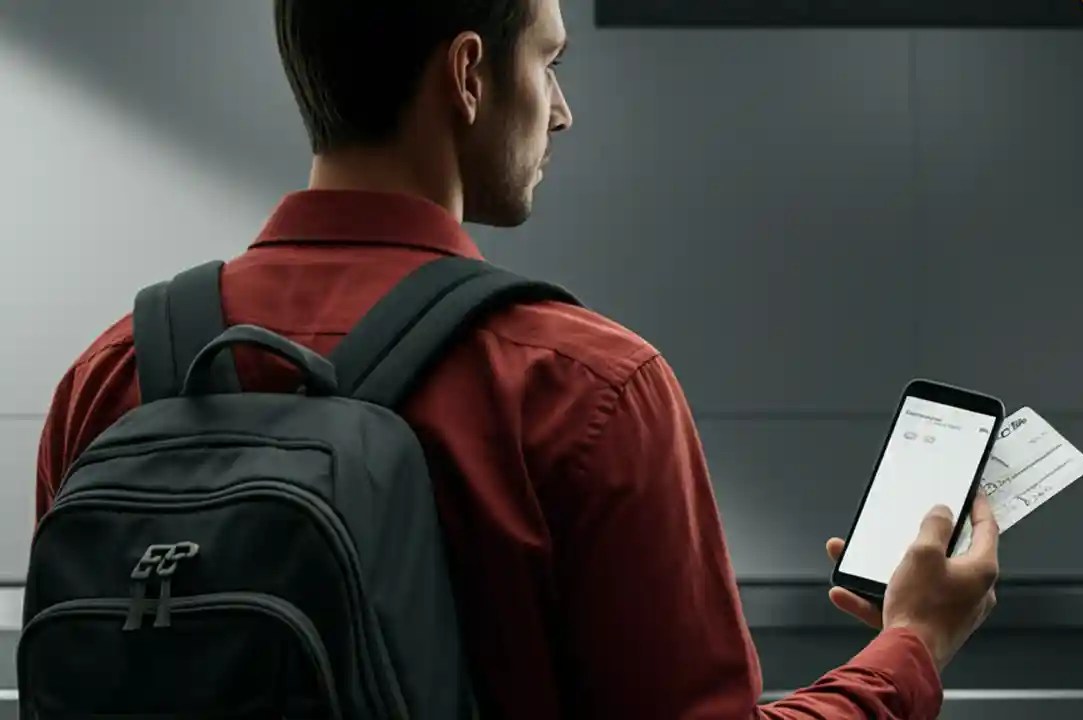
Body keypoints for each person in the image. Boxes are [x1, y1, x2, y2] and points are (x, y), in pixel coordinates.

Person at [34, 0, 1000, 717]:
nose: (563, 111)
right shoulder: (583, 388)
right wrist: (910, 645)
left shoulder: (111, 379)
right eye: (549, 63)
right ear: (468, 75)